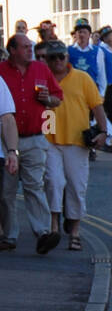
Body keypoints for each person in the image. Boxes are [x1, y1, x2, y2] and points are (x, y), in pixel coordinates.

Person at [41, 41, 108, 251]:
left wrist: (104, 132)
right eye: (53, 57)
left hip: (77, 141)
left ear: (67, 57)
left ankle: (75, 231)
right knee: (53, 182)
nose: (58, 61)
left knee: (76, 187)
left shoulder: (82, 78)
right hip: (48, 139)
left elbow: (96, 106)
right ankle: (54, 227)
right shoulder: (41, 78)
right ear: (47, 60)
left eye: (61, 56)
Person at [0, 32, 63, 253]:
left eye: (30, 46)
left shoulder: (41, 69)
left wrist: (48, 100)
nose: (30, 50)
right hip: (6, 142)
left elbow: (58, 98)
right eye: (25, 46)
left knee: (34, 186)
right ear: (13, 50)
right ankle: (9, 236)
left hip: (35, 137)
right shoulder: (1, 71)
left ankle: (43, 232)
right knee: (6, 192)